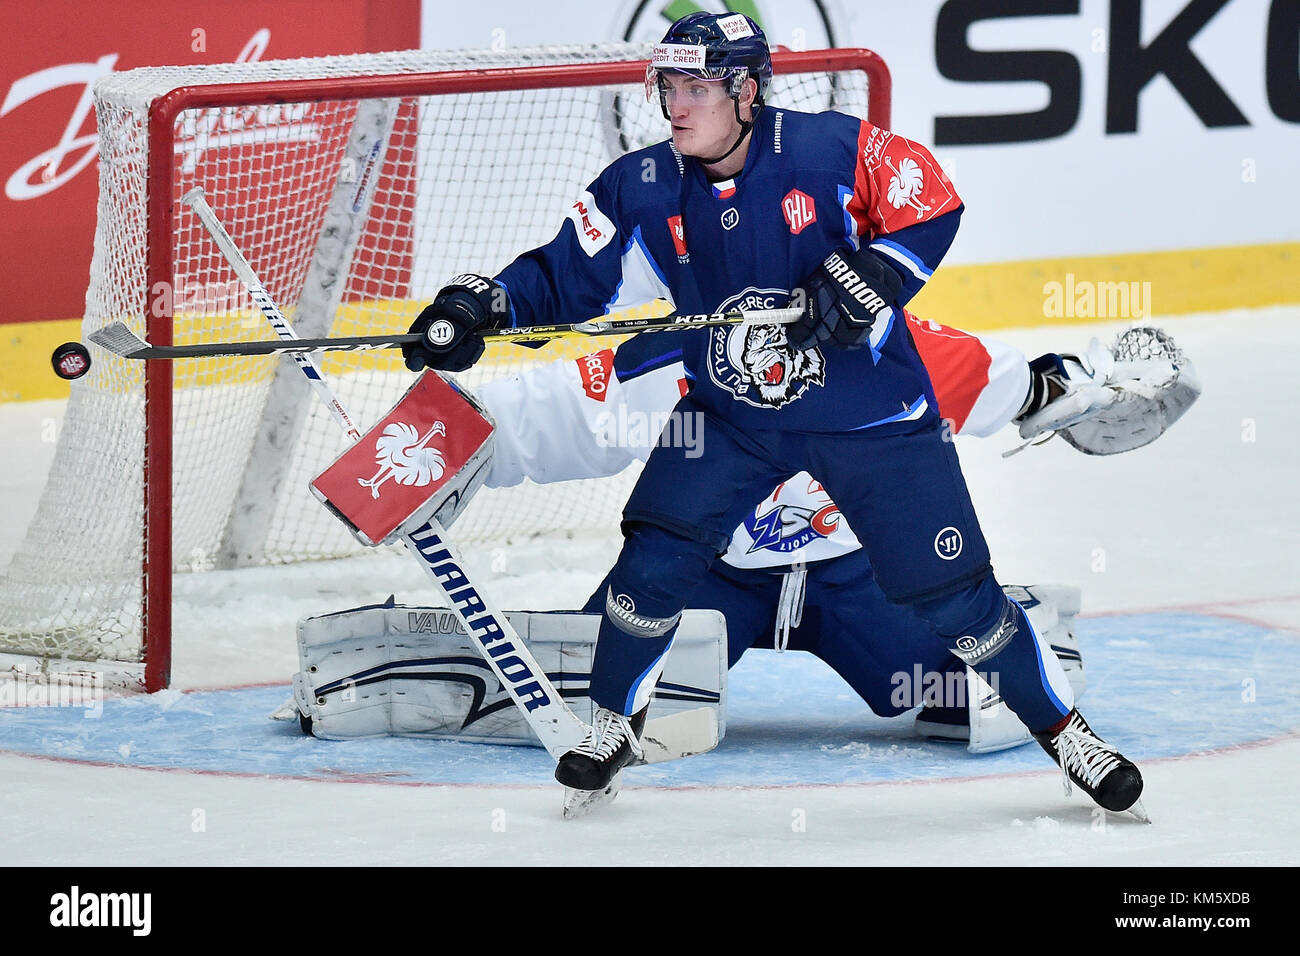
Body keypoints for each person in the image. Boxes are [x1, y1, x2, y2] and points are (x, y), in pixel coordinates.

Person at [401, 12, 1145, 814]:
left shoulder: (827, 148)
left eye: (695, 88)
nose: (675, 107)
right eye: (667, 88)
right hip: (733, 418)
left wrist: (879, 274)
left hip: (871, 418)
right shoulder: (643, 185)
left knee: (958, 601)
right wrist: (484, 305)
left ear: (746, 91)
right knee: (649, 562)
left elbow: (930, 197)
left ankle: (1070, 735)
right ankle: (614, 724)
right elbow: (563, 277)